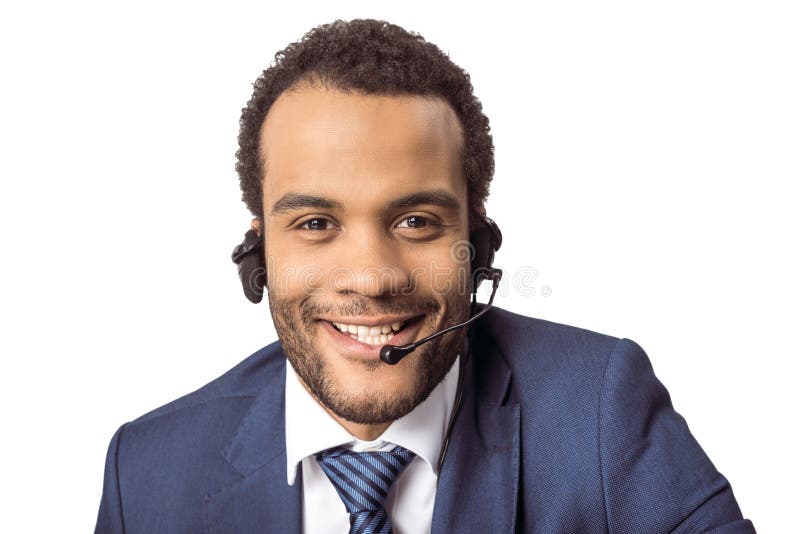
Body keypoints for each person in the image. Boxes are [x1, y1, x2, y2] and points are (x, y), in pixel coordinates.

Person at [94, 18, 755, 534]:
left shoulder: (601, 414)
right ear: (257, 252)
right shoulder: (148, 471)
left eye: (414, 222)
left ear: (479, 244)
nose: (373, 279)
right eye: (317, 224)